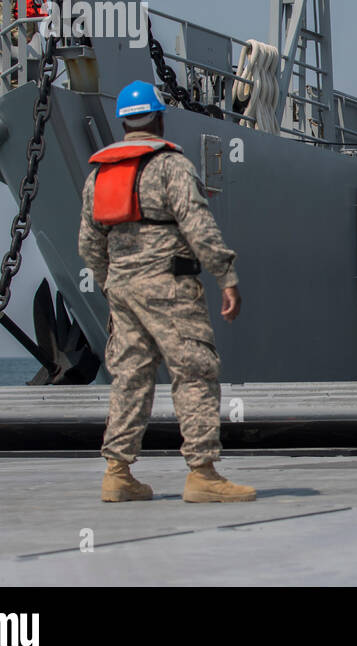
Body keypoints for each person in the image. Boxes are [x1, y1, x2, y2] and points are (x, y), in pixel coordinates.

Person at [79, 80, 254, 503]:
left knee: (130, 378)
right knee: (194, 371)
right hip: (171, 287)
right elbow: (198, 224)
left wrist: (111, 282)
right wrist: (225, 276)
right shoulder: (171, 167)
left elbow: (88, 244)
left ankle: (117, 473)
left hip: (122, 290)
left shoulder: (98, 176)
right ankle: (203, 474)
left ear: (123, 123)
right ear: (158, 117)